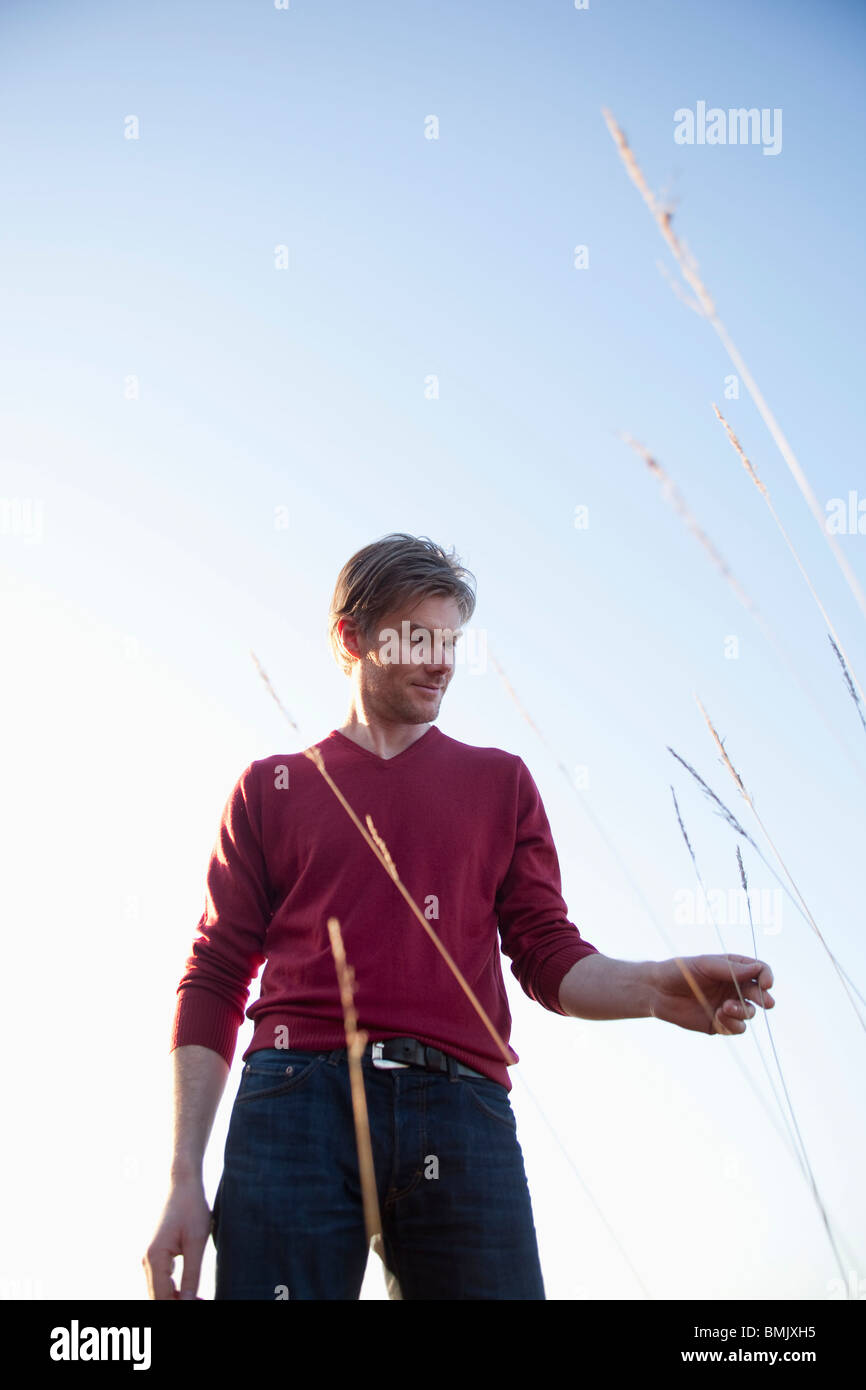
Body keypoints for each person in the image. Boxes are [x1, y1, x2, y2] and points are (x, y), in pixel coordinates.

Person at [142, 532, 775, 1301]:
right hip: (292, 1107)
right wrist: (184, 1179)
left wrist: (652, 986)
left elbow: (546, 954)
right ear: (352, 637)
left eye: (451, 642)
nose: (442, 661)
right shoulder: (269, 787)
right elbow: (213, 975)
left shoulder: (500, 782)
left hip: (462, 1110)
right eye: (418, 637)